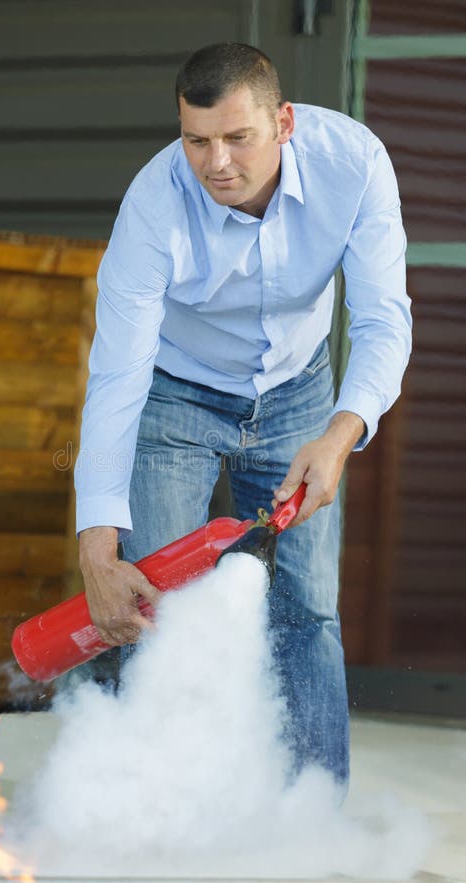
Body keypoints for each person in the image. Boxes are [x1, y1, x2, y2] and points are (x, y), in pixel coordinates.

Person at [74, 43, 411, 786]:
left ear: (283, 122)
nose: (215, 163)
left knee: (305, 608)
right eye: (196, 140)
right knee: (155, 611)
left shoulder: (353, 163)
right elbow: (117, 377)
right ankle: (148, 809)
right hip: (174, 393)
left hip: (299, 392)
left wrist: (338, 436)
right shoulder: (154, 204)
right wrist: (98, 548)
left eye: (237, 138)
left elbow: (385, 321)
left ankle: (311, 816)